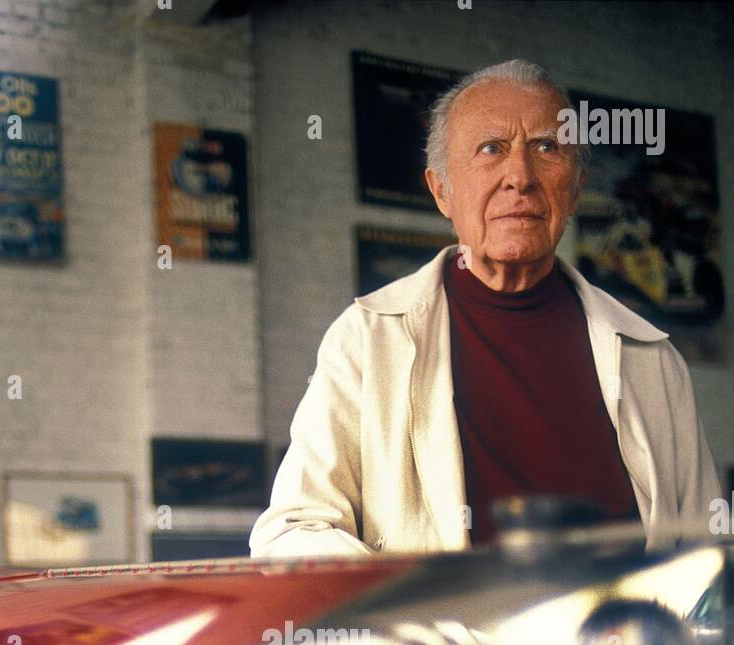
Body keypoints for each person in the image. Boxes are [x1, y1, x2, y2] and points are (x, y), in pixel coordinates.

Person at [250, 59, 719, 557]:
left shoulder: (651, 359)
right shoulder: (368, 339)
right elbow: (294, 530)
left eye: (545, 148)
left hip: (618, 632)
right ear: (441, 191)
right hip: (445, 635)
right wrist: (414, 620)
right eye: (491, 149)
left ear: (576, 188)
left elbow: (707, 551)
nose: (520, 176)